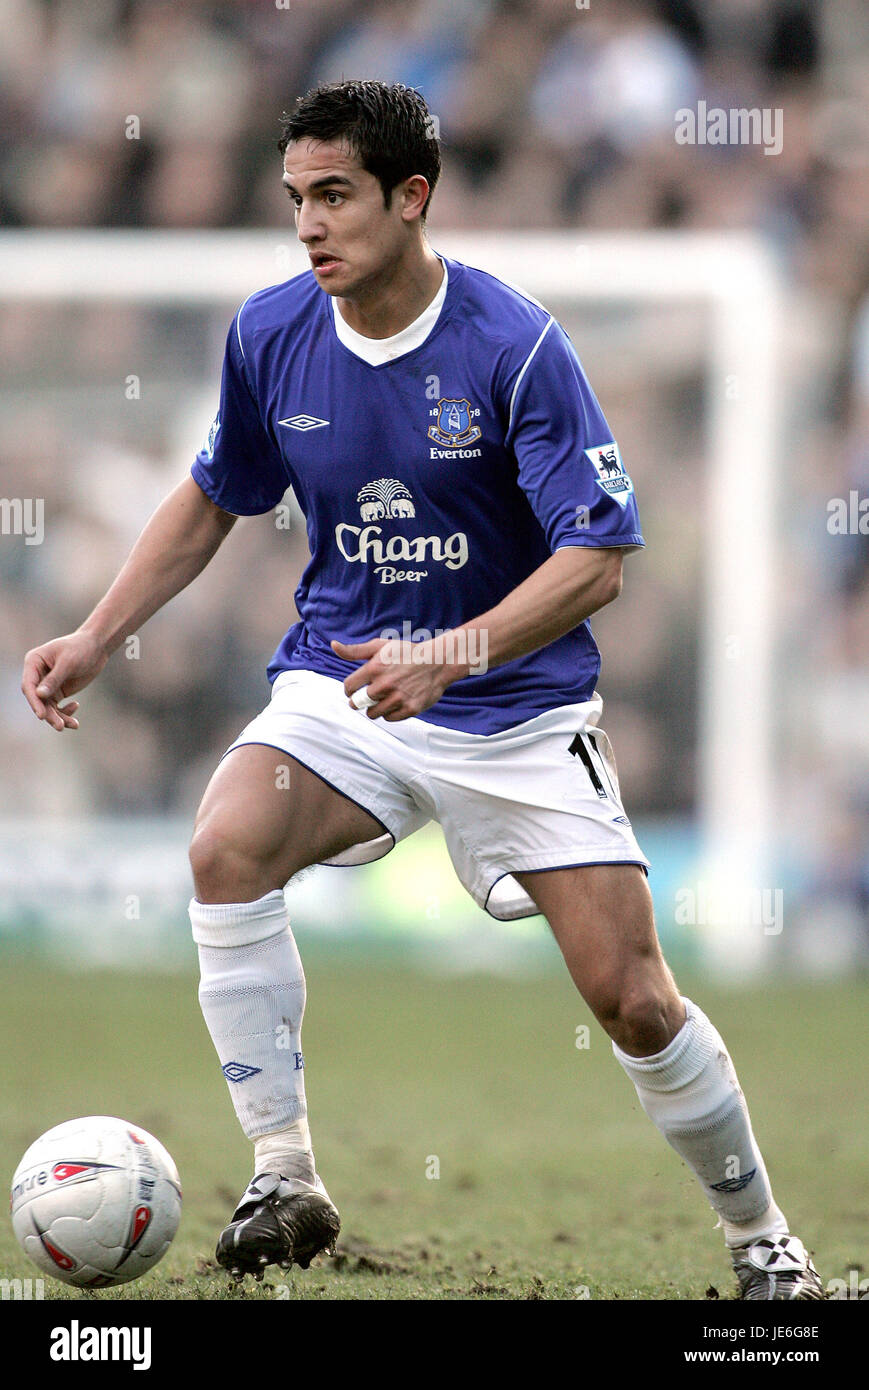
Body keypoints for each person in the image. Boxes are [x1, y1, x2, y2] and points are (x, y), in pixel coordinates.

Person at [22, 79, 822, 1300]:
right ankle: (284, 1172)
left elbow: (596, 561)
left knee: (631, 999)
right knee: (224, 847)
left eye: (334, 195)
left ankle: (762, 1239)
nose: (309, 225)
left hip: (513, 711)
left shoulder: (515, 346)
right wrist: (94, 632)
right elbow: (212, 497)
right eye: (295, 198)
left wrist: (452, 653)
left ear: (412, 197)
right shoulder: (269, 334)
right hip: (344, 681)